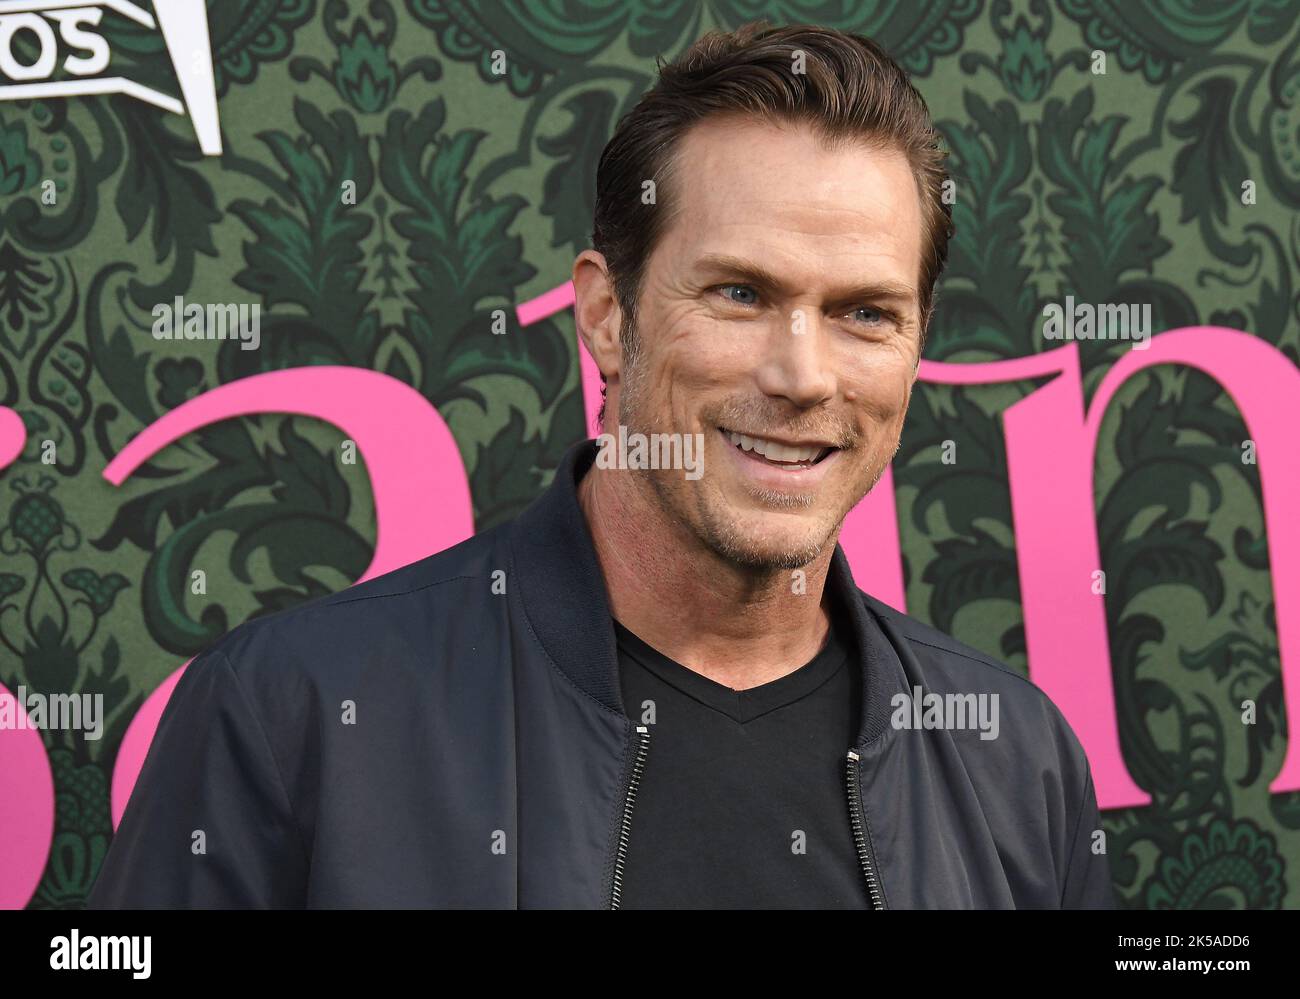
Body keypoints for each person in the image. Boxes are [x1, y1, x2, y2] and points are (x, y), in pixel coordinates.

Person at [89, 20, 1116, 909]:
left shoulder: (1016, 762)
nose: (803, 375)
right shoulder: (289, 713)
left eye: (863, 313)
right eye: (740, 295)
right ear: (605, 315)